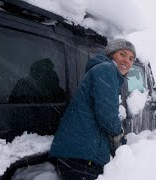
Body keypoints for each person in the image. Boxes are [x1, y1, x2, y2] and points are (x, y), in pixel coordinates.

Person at [49, 39, 136, 179]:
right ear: (111, 54)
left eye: (131, 59)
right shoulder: (107, 70)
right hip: (83, 154)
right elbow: (107, 115)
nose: (127, 61)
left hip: (77, 151)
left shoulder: (101, 70)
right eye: (122, 54)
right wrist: (119, 135)